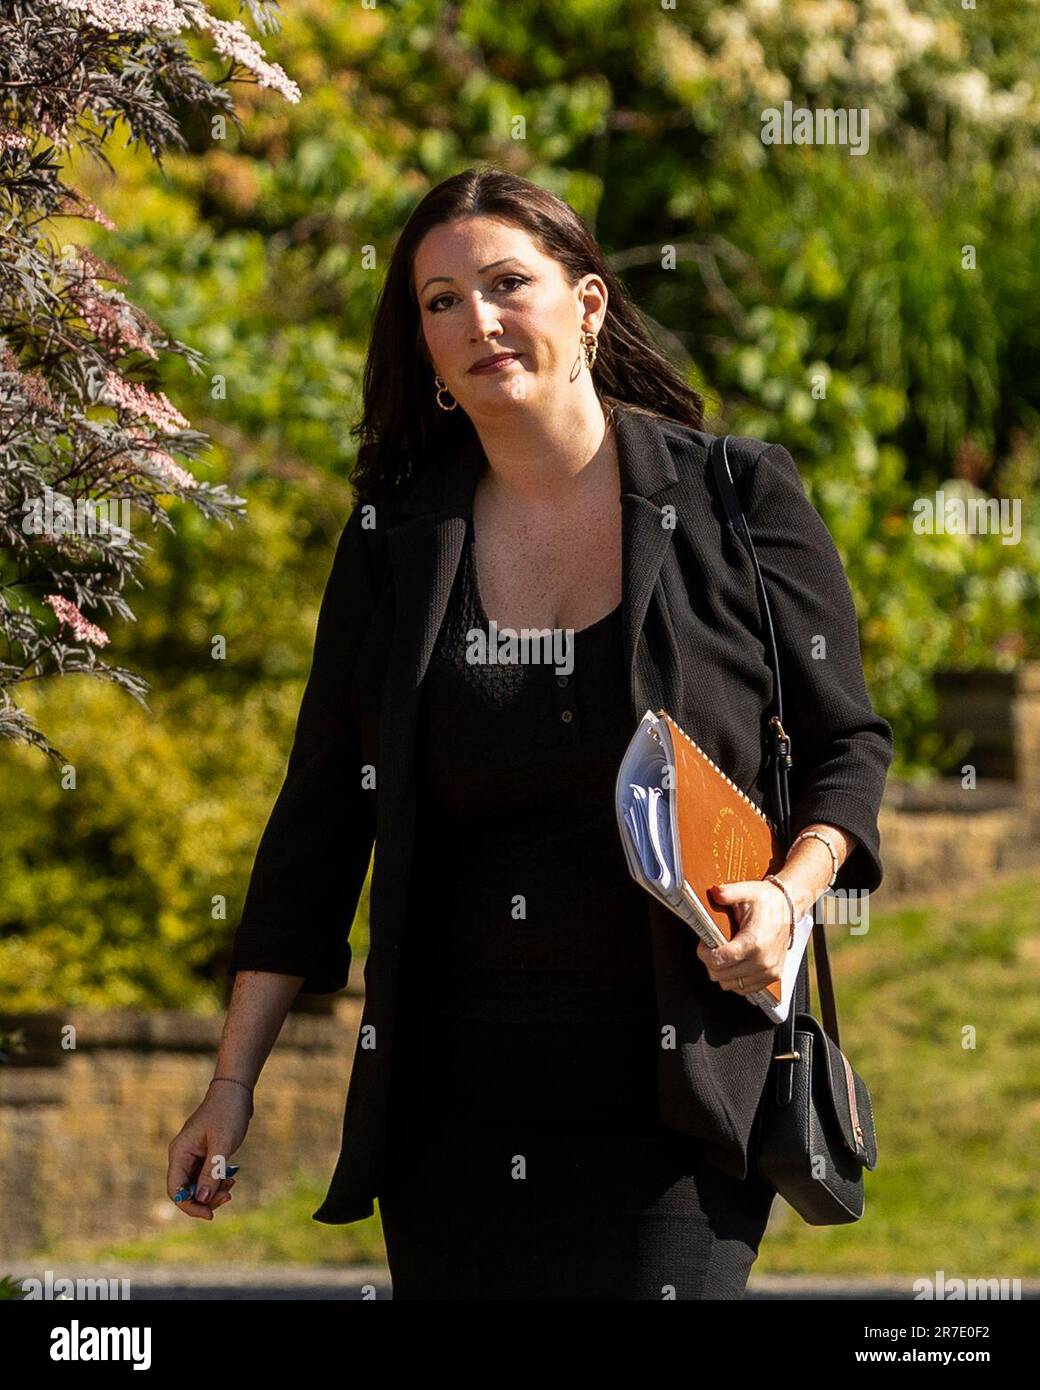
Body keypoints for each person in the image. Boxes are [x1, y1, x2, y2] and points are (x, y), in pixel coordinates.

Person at [166, 166, 893, 1300]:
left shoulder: (733, 500)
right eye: (440, 300)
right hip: (450, 1110)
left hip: (677, 1096)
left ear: (588, 305)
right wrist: (230, 1083)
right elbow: (320, 812)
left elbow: (846, 745)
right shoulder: (394, 541)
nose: (478, 322)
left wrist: (792, 894)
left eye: (508, 283)